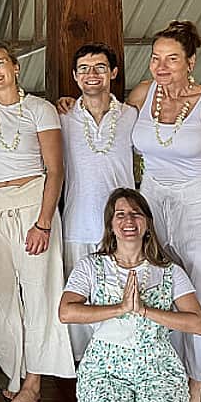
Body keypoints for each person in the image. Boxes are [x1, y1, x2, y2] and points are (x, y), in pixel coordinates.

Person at [127, 20, 201, 402]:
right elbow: (105, 121)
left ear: (190, 61)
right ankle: (162, 379)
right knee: (157, 288)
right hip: (152, 198)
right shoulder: (141, 94)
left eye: (171, 59)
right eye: (156, 57)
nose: (161, 66)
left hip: (197, 203)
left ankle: (196, 388)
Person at [59, 188, 201, 402]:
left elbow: (197, 323)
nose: (129, 221)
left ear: (147, 223)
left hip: (158, 365)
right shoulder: (92, 266)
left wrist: (144, 310)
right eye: (120, 215)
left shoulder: (168, 270)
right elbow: (66, 312)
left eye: (136, 214)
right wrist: (120, 308)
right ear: (111, 225)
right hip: (106, 366)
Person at [0, 42, 75, 402]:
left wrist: (43, 222)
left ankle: (33, 381)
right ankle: (15, 371)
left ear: (15, 68)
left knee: (39, 294)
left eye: (0, 64)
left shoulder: (40, 109)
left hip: (34, 205)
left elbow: (55, 169)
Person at [57, 43, 137, 362]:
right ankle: (84, 373)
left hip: (123, 230)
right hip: (77, 224)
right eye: (85, 69)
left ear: (113, 73)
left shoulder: (132, 116)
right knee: (80, 303)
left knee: (122, 299)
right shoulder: (61, 116)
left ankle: (118, 364)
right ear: (76, 77)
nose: (92, 74)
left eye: (100, 67)